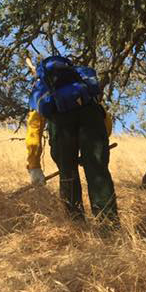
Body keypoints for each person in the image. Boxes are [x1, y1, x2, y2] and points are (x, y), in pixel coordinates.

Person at [25, 55, 118, 225]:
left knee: (68, 175)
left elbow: (34, 128)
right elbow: (104, 116)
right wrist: (95, 149)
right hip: (92, 121)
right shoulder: (80, 83)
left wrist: (34, 165)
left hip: (61, 126)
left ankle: (75, 225)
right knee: (99, 173)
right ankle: (109, 225)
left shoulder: (41, 88)